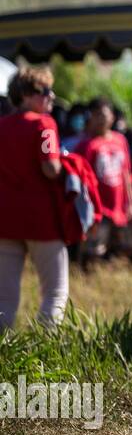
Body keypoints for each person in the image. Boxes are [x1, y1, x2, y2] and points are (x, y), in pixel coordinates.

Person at [0, 66, 69, 328]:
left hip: (5, 220)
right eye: (45, 92)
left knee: (3, 298)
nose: (51, 97)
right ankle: (46, 351)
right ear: (26, 95)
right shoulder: (44, 124)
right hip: (41, 221)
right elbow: (50, 168)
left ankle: (5, 354)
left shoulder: (1, 125)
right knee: (54, 292)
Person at [73, 97, 132, 264]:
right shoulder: (86, 145)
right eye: (97, 115)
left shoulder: (120, 140)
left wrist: (131, 202)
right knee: (95, 249)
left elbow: (126, 173)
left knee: (124, 247)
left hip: (119, 206)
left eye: (104, 115)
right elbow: (81, 179)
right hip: (98, 208)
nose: (101, 119)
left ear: (112, 117)